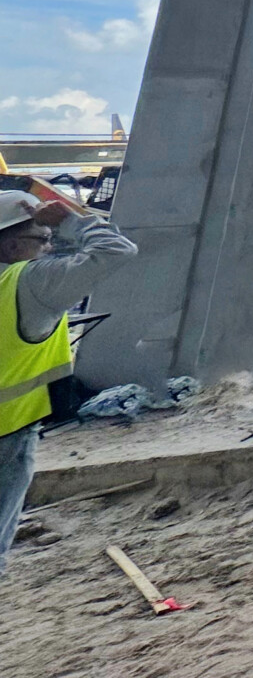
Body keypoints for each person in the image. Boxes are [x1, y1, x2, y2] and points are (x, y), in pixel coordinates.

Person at [0, 177, 138, 575]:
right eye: (41, 237)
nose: (48, 246)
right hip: (8, 433)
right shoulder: (29, 282)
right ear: (10, 246)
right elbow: (116, 251)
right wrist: (71, 222)